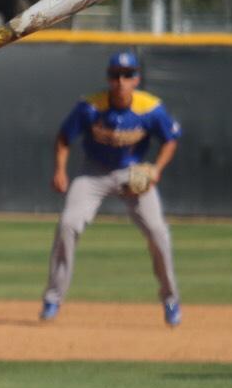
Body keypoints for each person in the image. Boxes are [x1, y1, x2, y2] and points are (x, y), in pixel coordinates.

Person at [41, 50, 183, 326]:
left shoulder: (150, 107)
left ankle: (171, 300)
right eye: (116, 75)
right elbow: (64, 136)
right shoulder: (90, 106)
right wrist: (60, 169)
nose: (121, 81)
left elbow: (171, 139)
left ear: (136, 79)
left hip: (133, 175)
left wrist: (156, 169)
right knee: (68, 225)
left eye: (127, 75)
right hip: (94, 173)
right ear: (108, 78)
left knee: (158, 233)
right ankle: (53, 299)